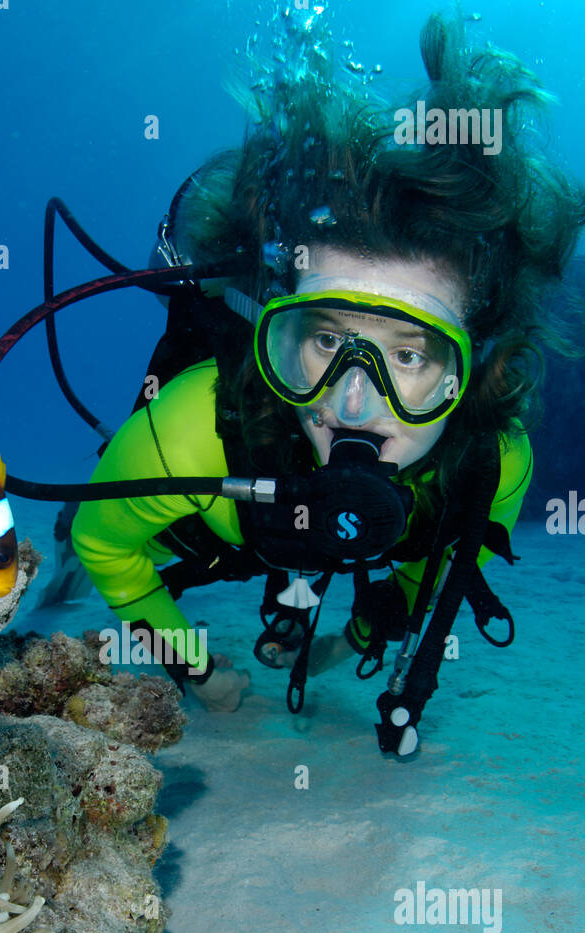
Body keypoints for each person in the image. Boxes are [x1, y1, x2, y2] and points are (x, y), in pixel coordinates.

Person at [67, 13, 585, 752]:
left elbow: (426, 573)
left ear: (472, 373)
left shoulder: (490, 462)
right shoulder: (189, 429)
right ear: (274, 336)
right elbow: (103, 540)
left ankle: (297, 605)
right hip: (232, 529)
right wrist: (201, 671)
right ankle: (289, 594)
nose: (352, 402)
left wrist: (353, 639)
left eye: (409, 356)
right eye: (325, 340)